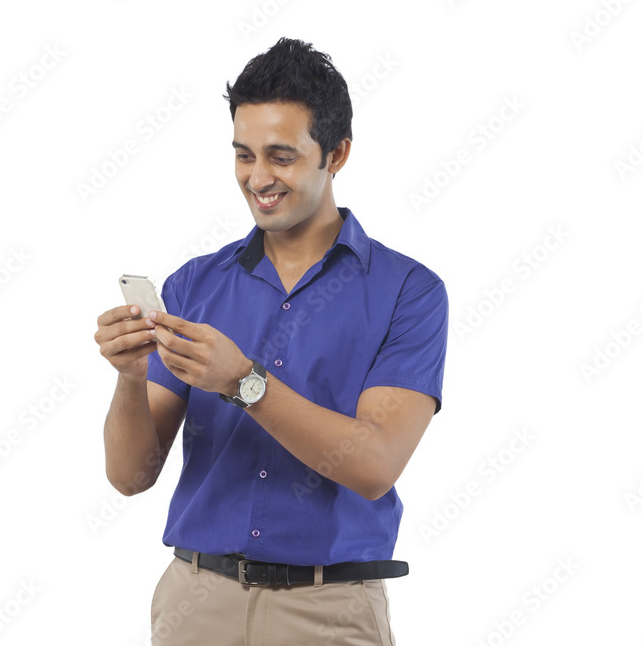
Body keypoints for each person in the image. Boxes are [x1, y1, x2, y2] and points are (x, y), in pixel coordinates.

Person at [94, 37, 448, 645]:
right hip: (195, 605)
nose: (258, 178)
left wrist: (241, 381)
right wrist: (129, 377)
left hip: (329, 611)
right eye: (243, 155)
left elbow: (373, 465)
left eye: (281, 156)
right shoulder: (194, 285)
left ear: (335, 154)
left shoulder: (408, 292)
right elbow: (130, 477)